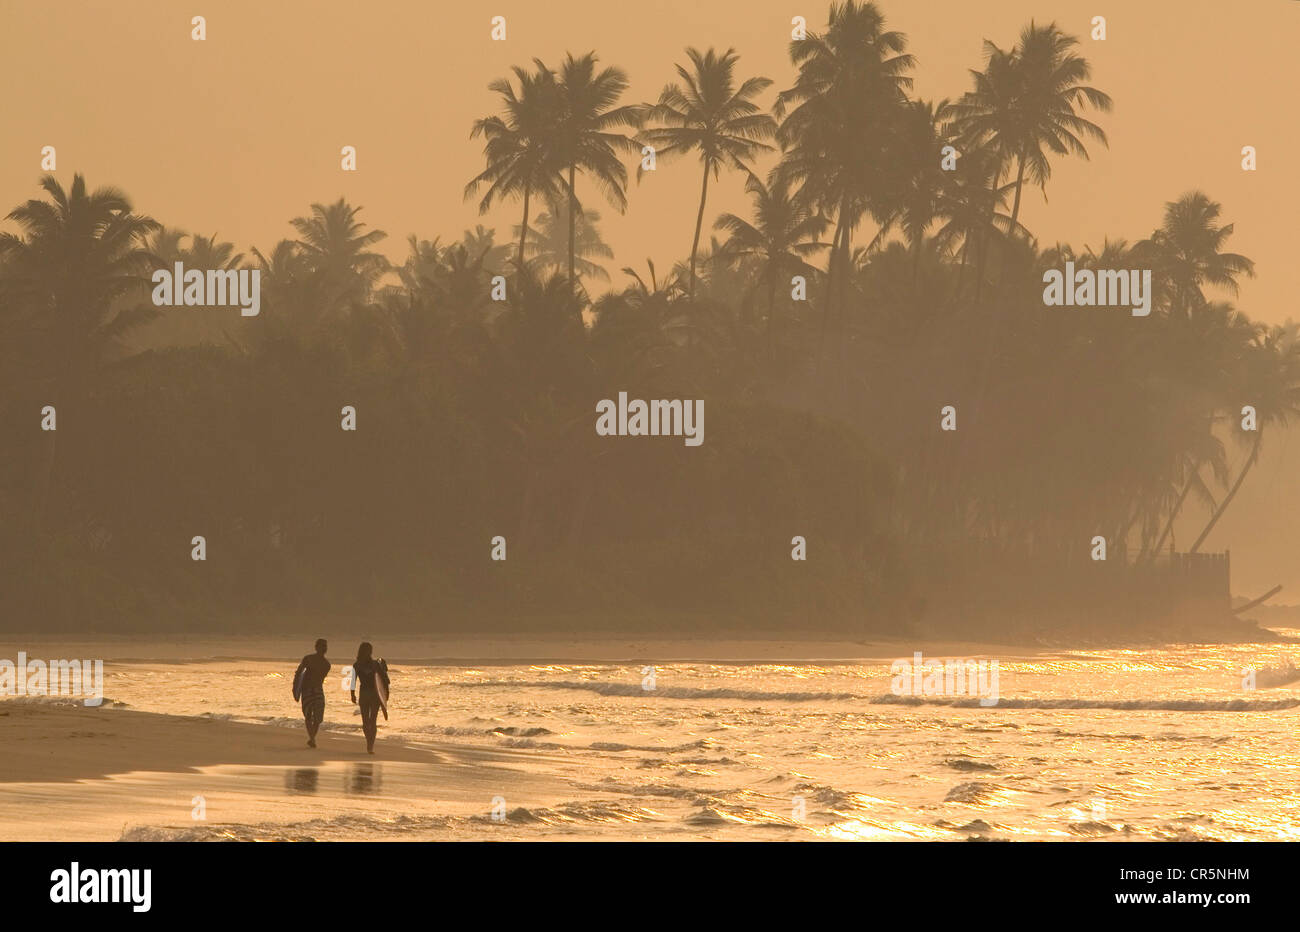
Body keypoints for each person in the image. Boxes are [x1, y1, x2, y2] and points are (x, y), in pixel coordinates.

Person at [350, 642, 390, 754]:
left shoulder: (375, 664)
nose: (370, 652)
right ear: (363, 651)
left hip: (374, 694)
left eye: (370, 650)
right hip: (364, 694)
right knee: (365, 722)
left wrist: (386, 693)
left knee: (372, 720)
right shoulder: (356, 665)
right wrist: (352, 694)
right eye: (368, 650)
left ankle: (370, 745)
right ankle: (369, 740)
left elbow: (383, 679)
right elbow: (353, 681)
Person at [292, 639, 331, 748]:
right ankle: (312, 738)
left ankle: (312, 737)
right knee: (308, 715)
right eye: (322, 646)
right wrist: (295, 688)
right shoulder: (308, 659)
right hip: (307, 690)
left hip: (318, 690)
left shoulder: (327, 664)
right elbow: (299, 673)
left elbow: (321, 679)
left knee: (318, 717)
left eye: (325, 646)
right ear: (316, 647)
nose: (324, 648)